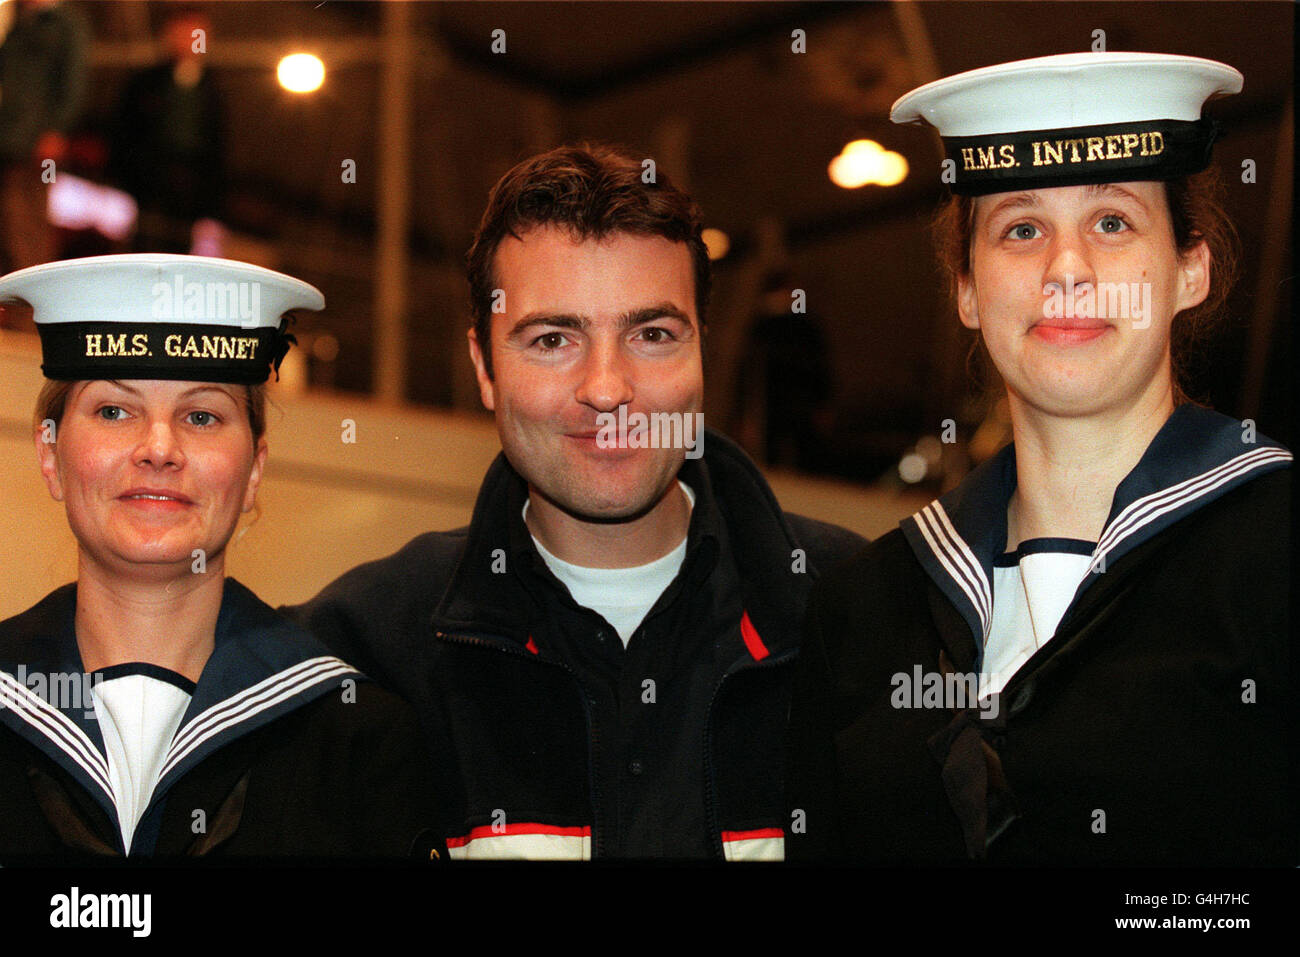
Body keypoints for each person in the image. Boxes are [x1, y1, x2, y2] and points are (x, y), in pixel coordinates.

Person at [289, 144, 867, 860]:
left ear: (701, 354)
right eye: (553, 338)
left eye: (651, 334)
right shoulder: (363, 649)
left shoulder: (860, 618)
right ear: (484, 368)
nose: (606, 386)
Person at [786, 52, 1291, 864]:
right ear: (968, 289)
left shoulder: (1274, 552)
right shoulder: (863, 611)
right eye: (1021, 229)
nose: (1066, 269)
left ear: (1189, 269)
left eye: (1113, 222)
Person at [0, 254, 442, 860]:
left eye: (201, 416)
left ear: (256, 469)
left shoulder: (355, 744)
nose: (159, 449)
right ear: (49, 454)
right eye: (113, 411)